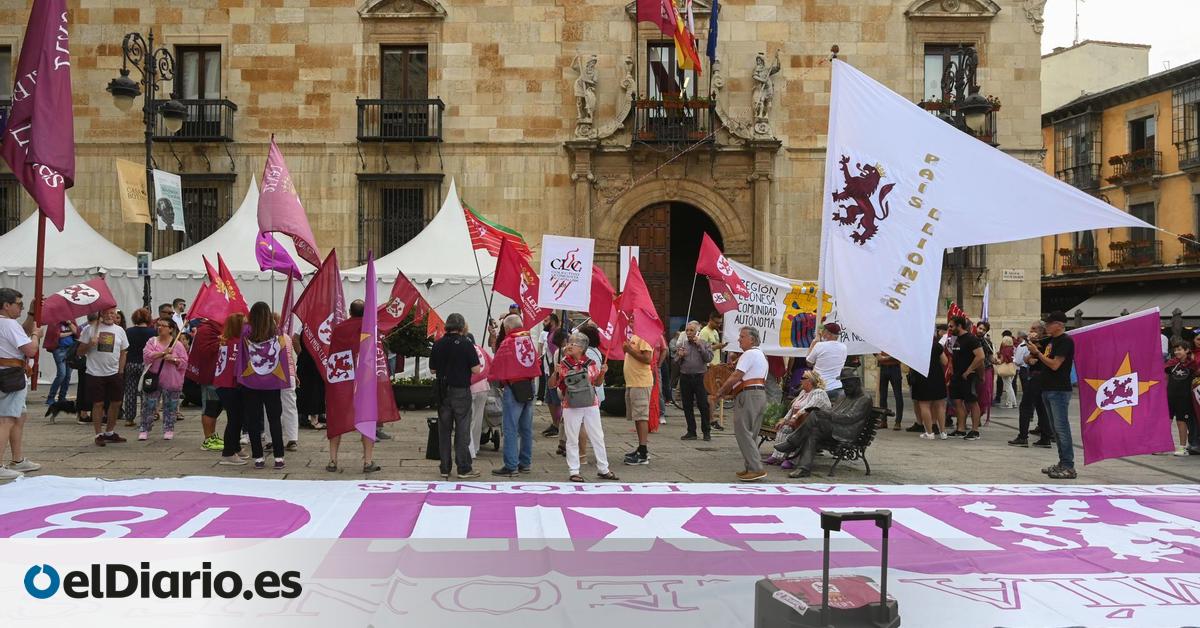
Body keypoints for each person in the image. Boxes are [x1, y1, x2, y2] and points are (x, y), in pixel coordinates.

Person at [774, 369, 873, 479]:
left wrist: (826, 415)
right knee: (813, 432)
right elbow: (833, 410)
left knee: (815, 414)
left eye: (848, 384)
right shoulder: (843, 394)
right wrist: (826, 414)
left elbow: (850, 418)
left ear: (856, 382)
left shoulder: (865, 398)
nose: (845, 387)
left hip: (847, 431)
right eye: (843, 384)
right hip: (834, 427)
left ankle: (792, 442)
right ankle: (804, 468)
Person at [549, 332, 619, 483]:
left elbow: (597, 383)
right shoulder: (563, 363)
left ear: (581, 348)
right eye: (570, 343)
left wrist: (603, 373)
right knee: (572, 437)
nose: (569, 346)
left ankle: (603, 468)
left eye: (573, 344)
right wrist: (555, 372)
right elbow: (552, 385)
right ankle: (574, 470)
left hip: (590, 403)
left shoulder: (590, 363)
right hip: (571, 404)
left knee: (597, 436)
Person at [238, 302, 290, 470]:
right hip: (272, 382)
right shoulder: (276, 332)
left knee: (253, 420)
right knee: (274, 419)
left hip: (251, 381)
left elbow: (241, 354)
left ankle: (258, 458)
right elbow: (281, 355)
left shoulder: (246, 331)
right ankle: (279, 457)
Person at [430, 313, 482, 480]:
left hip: (442, 391)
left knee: (444, 430)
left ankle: (445, 467)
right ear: (461, 327)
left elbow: (432, 370)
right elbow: (476, 370)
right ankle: (464, 468)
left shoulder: (438, 344)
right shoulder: (467, 344)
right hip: (461, 391)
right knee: (462, 430)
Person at [715, 326, 769, 482]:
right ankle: (750, 467)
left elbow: (736, 376)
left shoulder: (749, 354)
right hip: (759, 394)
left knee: (743, 431)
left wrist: (721, 392)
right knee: (751, 433)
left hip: (748, 394)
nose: (739, 339)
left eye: (742, 336)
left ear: (751, 339)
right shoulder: (761, 355)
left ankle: (755, 468)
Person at [1028, 311, 1077, 480]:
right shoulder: (1052, 341)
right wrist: (1033, 347)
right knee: (1056, 429)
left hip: (1059, 389)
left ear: (1059, 325)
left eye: (1049, 324)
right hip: (1048, 388)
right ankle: (1062, 462)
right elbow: (1033, 356)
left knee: (1062, 429)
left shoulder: (1065, 341)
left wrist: (1039, 354)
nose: (1046, 327)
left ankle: (1068, 465)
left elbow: (1055, 364)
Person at [0, 288, 42, 481]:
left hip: (7, 372)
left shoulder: (8, 324)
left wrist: (32, 313)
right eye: (18, 304)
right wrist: (36, 335)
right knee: (6, 420)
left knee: (19, 416)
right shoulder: (8, 324)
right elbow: (30, 349)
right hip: (10, 374)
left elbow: (20, 332)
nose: (21, 308)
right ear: (6, 306)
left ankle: (17, 459)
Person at [490, 314, 538, 476]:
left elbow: (497, 364)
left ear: (507, 328)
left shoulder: (508, 342)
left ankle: (511, 465)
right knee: (526, 428)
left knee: (510, 428)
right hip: (529, 386)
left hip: (514, 387)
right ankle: (525, 463)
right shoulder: (529, 340)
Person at [78, 306, 130, 447]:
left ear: (116, 315)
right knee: (98, 403)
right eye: (106, 313)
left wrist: (120, 370)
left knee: (116, 402)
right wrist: (90, 344)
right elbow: (79, 352)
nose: (109, 315)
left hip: (114, 372)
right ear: (100, 314)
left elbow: (123, 352)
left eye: (112, 313)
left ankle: (110, 432)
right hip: (95, 372)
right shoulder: (90, 329)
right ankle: (98, 433)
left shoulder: (119, 331)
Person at [766, 370, 831, 466]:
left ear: (810, 381)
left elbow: (808, 407)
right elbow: (793, 408)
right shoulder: (803, 393)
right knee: (784, 428)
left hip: (816, 426)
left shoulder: (819, 393)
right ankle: (778, 456)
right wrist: (784, 419)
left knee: (797, 431)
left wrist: (795, 417)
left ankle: (793, 459)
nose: (800, 380)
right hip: (801, 422)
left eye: (803, 378)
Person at [138, 318, 187, 440]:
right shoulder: (152, 341)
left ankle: (169, 428)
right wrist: (162, 353)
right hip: (154, 378)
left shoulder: (178, 345)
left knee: (170, 405)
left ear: (171, 329)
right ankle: (144, 428)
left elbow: (184, 362)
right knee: (149, 404)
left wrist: (174, 360)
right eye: (158, 325)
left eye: (164, 326)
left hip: (171, 379)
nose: (160, 328)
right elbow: (147, 355)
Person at [1009, 323, 1054, 448]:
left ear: (1041, 330)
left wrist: (1031, 344)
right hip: (1038, 376)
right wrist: (1030, 357)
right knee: (1041, 407)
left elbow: (1038, 354)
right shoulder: (1040, 342)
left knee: (1026, 406)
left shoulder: (1046, 341)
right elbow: (1027, 358)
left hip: (1038, 377)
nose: (1031, 331)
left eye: (1034, 329)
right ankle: (1045, 437)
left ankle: (1023, 437)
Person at [674, 321, 714, 441]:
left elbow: (708, 358)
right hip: (685, 376)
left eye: (691, 330)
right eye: (687, 330)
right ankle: (691, 431)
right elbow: (675, 362)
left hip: (700, 376)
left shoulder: (704, 343)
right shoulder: (683, 344)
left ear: (697, 332)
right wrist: (679, 356)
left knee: (703, 404)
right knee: (687, 405)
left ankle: (706, 431)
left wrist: (700, 346)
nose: (689, 333)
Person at [621, 332, 655, 466]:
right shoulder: (635, 336)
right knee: (637, 416)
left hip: (641, 382)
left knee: (641, 416)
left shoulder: (644, 336)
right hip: (633, 382)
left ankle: (643, 451)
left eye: (633, 317)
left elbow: (647, 358)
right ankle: (641, 448)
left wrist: (629, 350)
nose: (631, 319)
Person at [947, 315, 983, 441]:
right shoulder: (957, 339)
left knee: (972, 402)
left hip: (968, 376)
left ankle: (975, 430)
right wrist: (951, 366)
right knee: (957, 401)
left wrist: (969, 370)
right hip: (957, 376)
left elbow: (980, 356)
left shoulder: (971, 339)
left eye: (951, 326)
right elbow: (954, 355)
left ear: (959, 326)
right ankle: (960, 429)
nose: (949, 328)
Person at [910, 326, 949, 440]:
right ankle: (943, 432)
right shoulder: (936, 345)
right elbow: (945, 361)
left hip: (922, 376)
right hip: (937, 377)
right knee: (940, 405)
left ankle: (929, 432)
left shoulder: (916, 346)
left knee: (924, 405)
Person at [122, 308, 156, 427]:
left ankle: (129, 418)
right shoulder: (152, 332)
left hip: (131, 363)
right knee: (145, 391)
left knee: (130, 391)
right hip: (146, 365)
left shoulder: (128, 331)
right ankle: (145, 416)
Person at [1165, 342, 1199, 456]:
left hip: (1184, 398)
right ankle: (1162, 446)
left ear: (1187, 350)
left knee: (1181, 422)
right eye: (1175, 350)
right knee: (1166, 422)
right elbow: (1164, 377)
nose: (1176, 352)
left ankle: (1182, 448)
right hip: (1170, 397)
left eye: (1179, 349)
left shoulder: (1193, 364)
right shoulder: (1171, 363)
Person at [803, 323, 849, 400]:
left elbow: (809, 363)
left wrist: (813, 344)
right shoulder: (844, 347)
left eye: (823, 331)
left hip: (821, 388)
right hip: (837, 387)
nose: (822, 334)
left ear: (828, 334)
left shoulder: (819, 345)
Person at [467, 329, 493, 460]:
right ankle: (476, 447)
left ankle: (469, 449)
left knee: (468, 420)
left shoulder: (465, 350)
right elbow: (491, 364)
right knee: (478, 419)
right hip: (483, 387)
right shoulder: (481, 350)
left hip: (470, 388)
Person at [699, 312, 727, 431]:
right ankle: (710, 419)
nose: (718, 325)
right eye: (716, 322)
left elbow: (714, 347)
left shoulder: (715, 332)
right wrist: (718, 346)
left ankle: (711, 418)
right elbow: (703, 348)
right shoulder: (704, 332)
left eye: (720, 323)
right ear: (710, 320)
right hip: (709, 366)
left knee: (716, 395)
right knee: (712, 395)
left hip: (716, 365)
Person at [45, 318, 78, 406]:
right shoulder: (55, 321)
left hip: (70, 350)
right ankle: (51, 397)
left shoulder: (71, 321)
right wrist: (71, 332)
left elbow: (76, 331)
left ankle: (62, 397)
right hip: (59, 349)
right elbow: (57, 335)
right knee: (61, 374)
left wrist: (70, 323)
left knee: (68, 376)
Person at [876, 351, 903, 431]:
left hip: (895, 367)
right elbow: (873, 347)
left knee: (898, 395)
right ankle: (883, 421)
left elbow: (901, 352)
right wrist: (877, 355)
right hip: (882, 367)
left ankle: (898, 421)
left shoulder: (898, 339)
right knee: (882, 396)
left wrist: (885, 358)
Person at [975, 321, 996, 423]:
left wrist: (997, 361)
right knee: (972, 395)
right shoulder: (971, 340)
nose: (981, 331)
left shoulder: (987, 342)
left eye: (984, 330)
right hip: (974, 369)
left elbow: (991, 357)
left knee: (984, 395)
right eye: (980, 328)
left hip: (986, 369)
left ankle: (978, 417)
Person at [997, 335, 1017, 409]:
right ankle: (1014, 402)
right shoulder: (1011, 348)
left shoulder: (1004, 350)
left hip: (1005, 368)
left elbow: (1002, 360)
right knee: (1010, 386)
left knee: (1008, 387)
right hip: (1011, 367)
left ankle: (1010, 403)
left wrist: (997, 361)